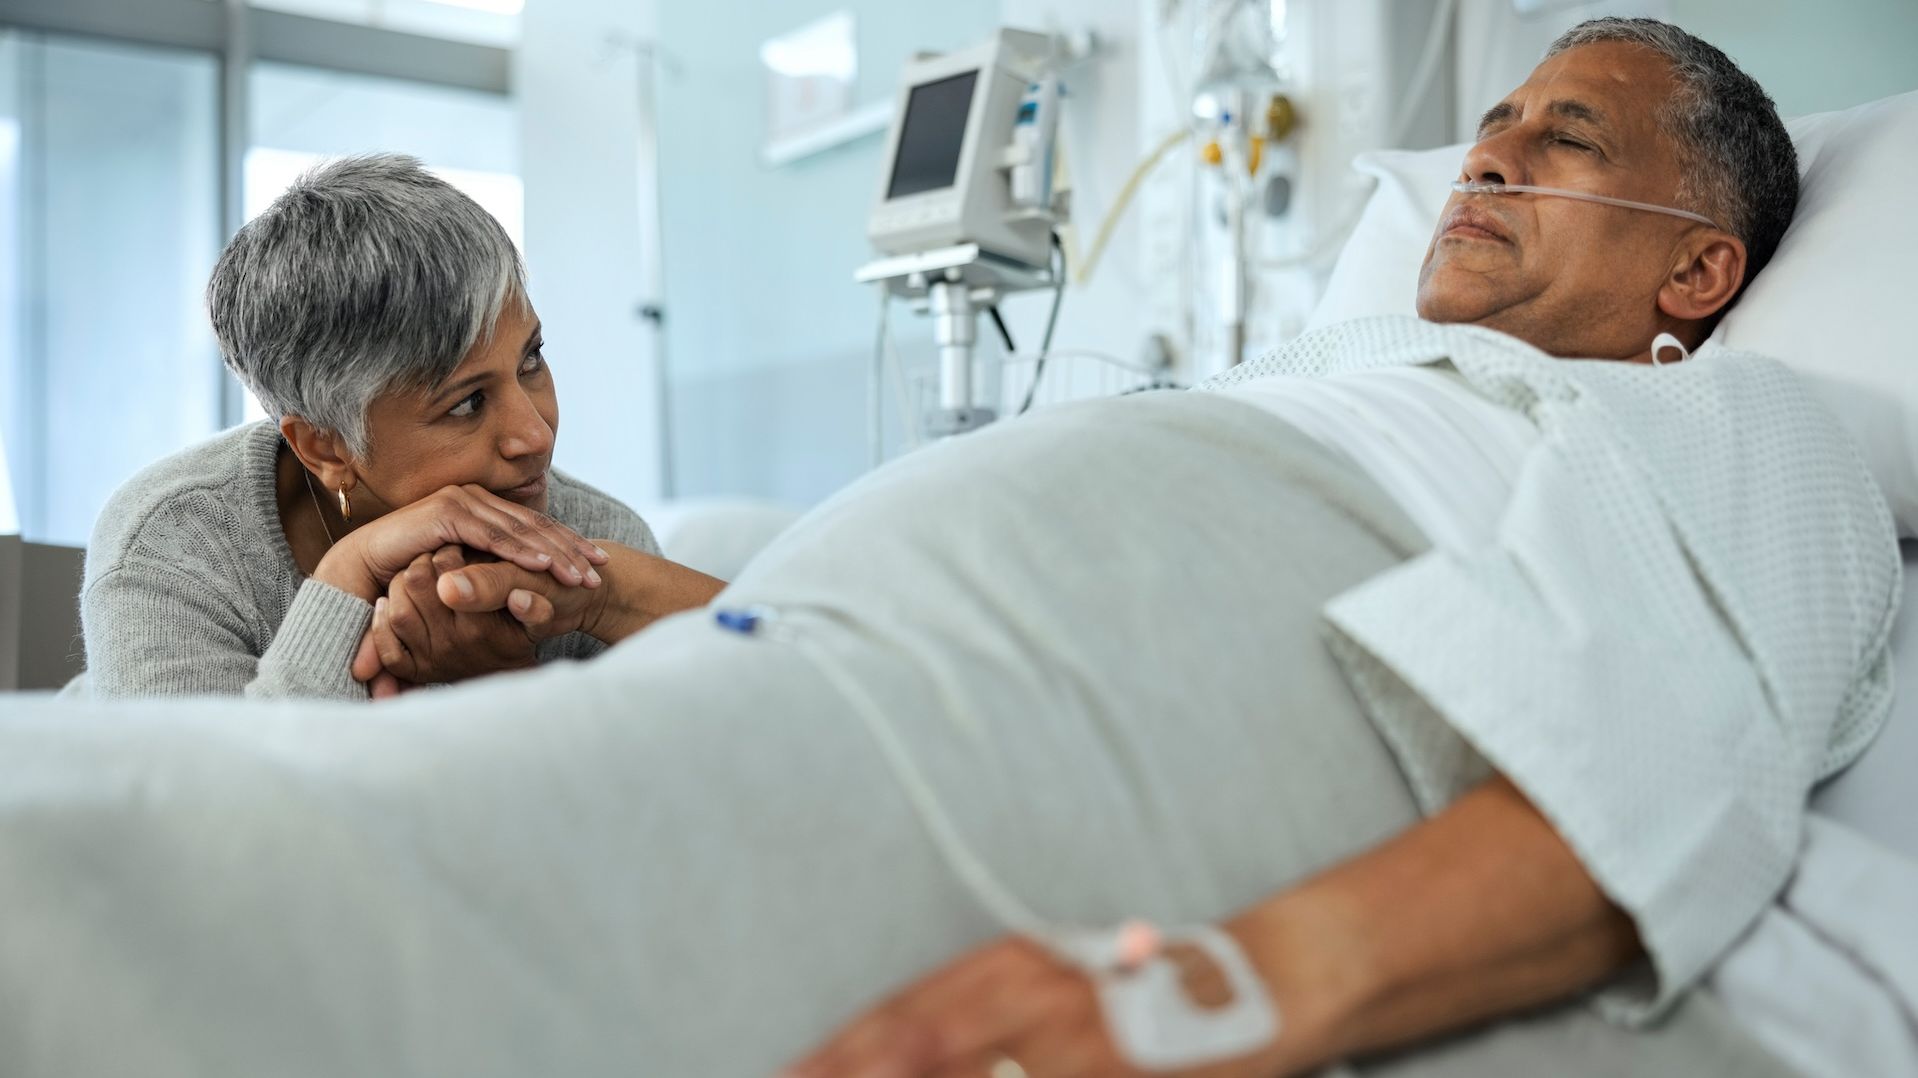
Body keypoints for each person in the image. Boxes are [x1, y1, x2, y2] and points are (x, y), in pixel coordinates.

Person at [4, 18, 1894, 1078]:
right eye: (1485, 124)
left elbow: (1680, 746)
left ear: (1697, 269)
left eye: (1564, 140)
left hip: (1067, 684)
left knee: (198, 895)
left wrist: (1216, 984)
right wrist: (609, 605)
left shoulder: (1745, 427)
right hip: (867, 630)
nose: (1483, 158)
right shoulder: (1333, 369)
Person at [76, 155, 724, 701]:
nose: (535, 436)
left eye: (530, 360)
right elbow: (203, 805)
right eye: (466, 403)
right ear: (326, 447)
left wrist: (501, 684)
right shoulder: (174, 541)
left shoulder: (592, 546)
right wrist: (347, 576)